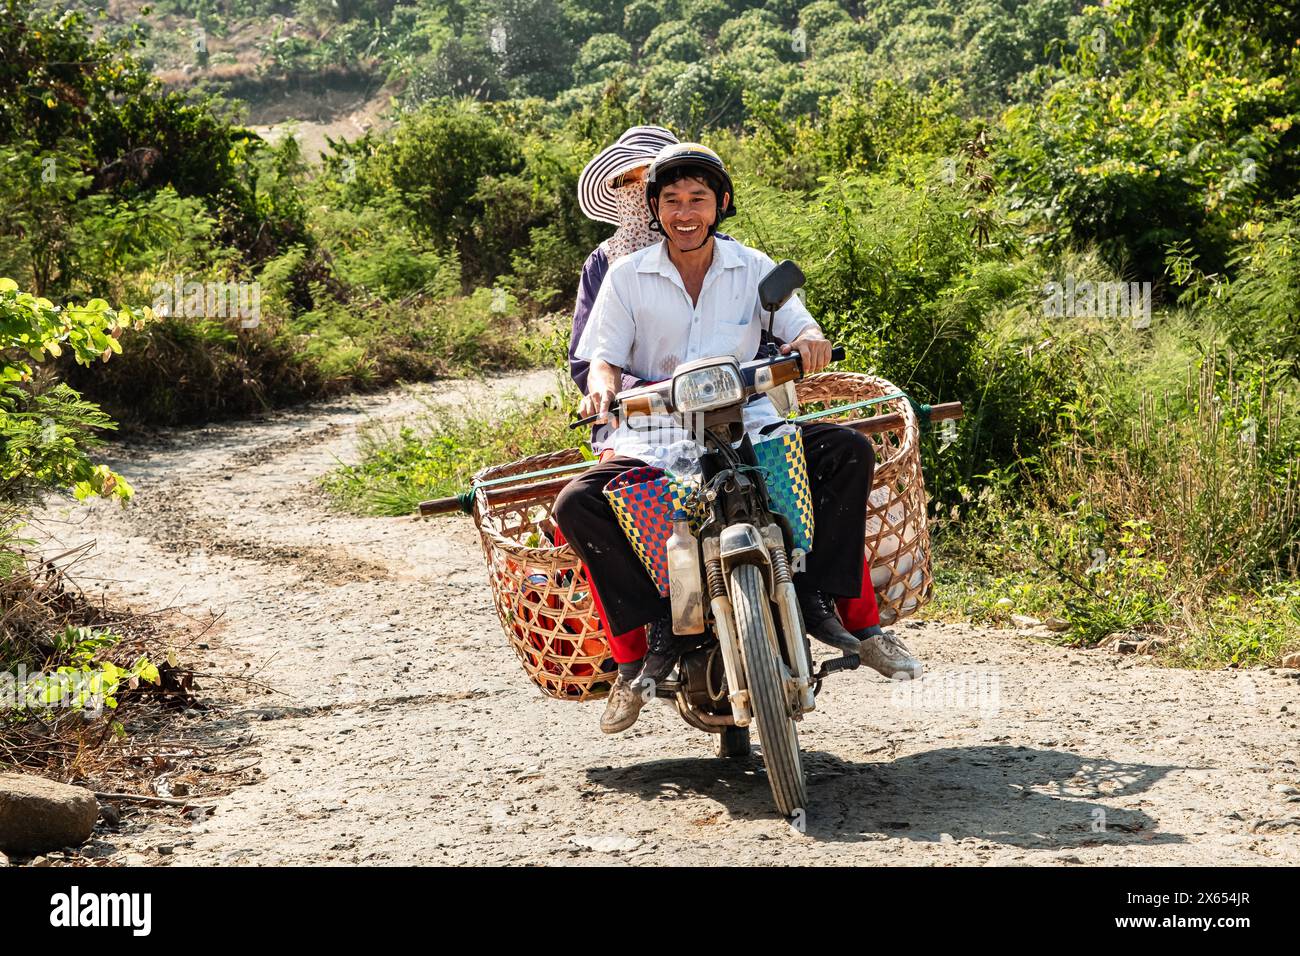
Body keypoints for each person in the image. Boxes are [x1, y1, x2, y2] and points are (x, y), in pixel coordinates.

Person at [557, 142, 922, 734]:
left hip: (748, 423)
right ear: (653, 208)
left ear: (720, 204)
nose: (684, 212)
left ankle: (830, 606)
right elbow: (600, 357)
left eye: (697, 198)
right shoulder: (621, 275)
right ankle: (647, 644)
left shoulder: (753, 266)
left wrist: (810, 339)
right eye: (670, 199)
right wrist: (600, 389)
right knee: (577, 504)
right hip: (655, 434)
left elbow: (796, 320)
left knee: (847, 452)